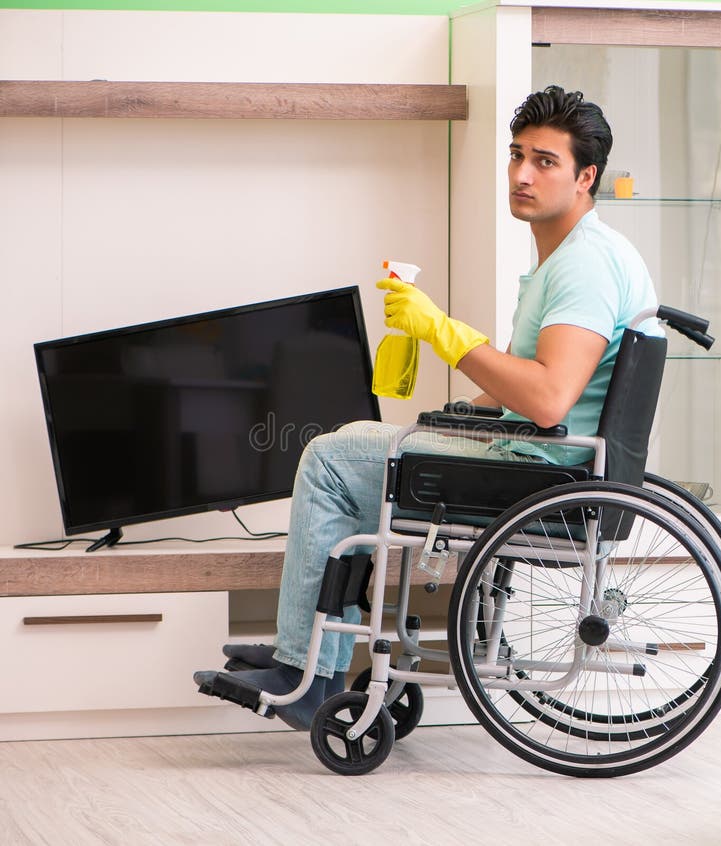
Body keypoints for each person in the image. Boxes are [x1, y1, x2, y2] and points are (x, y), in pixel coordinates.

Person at [193, 85, 660, 729]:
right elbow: (517, 385)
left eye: (545, 161)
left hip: (546, 470)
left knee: (330, 458)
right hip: (538, 456)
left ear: (586, 177)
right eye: (517, 155)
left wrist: (444, 329)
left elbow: (549, 396)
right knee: (370, 445)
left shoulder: (585, 266)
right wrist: (449, 418)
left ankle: (309, 669)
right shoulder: (571, 259)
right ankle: (311, 660)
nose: (522, 174)